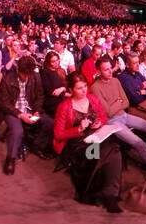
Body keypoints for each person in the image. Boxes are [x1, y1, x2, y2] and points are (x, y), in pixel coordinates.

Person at [52, 72, 124, 213]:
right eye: (79, 88)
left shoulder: (93, 99)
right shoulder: (64, 106)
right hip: (77, 144)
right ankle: (107, 194)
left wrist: (99, 123)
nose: (84, 90)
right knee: (105, 152)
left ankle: (111, 194)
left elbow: (103, 118)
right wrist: (78, 129)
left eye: (85, 86)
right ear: (71, 90)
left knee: (114, 150)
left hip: (95, 137)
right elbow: (58, 134)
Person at [0, 55, 56, 174]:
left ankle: (37, 146)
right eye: (24, 74)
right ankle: (10, 159)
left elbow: (40, 96)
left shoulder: (35, 77)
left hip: (30, 110)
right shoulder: (7, 79)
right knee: (18, 131)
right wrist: (20, 114)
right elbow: (4, 103)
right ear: (18, 69)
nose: (27, 77)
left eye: (29, 74)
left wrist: (36, 111)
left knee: (50, 124)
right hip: (13, 111)